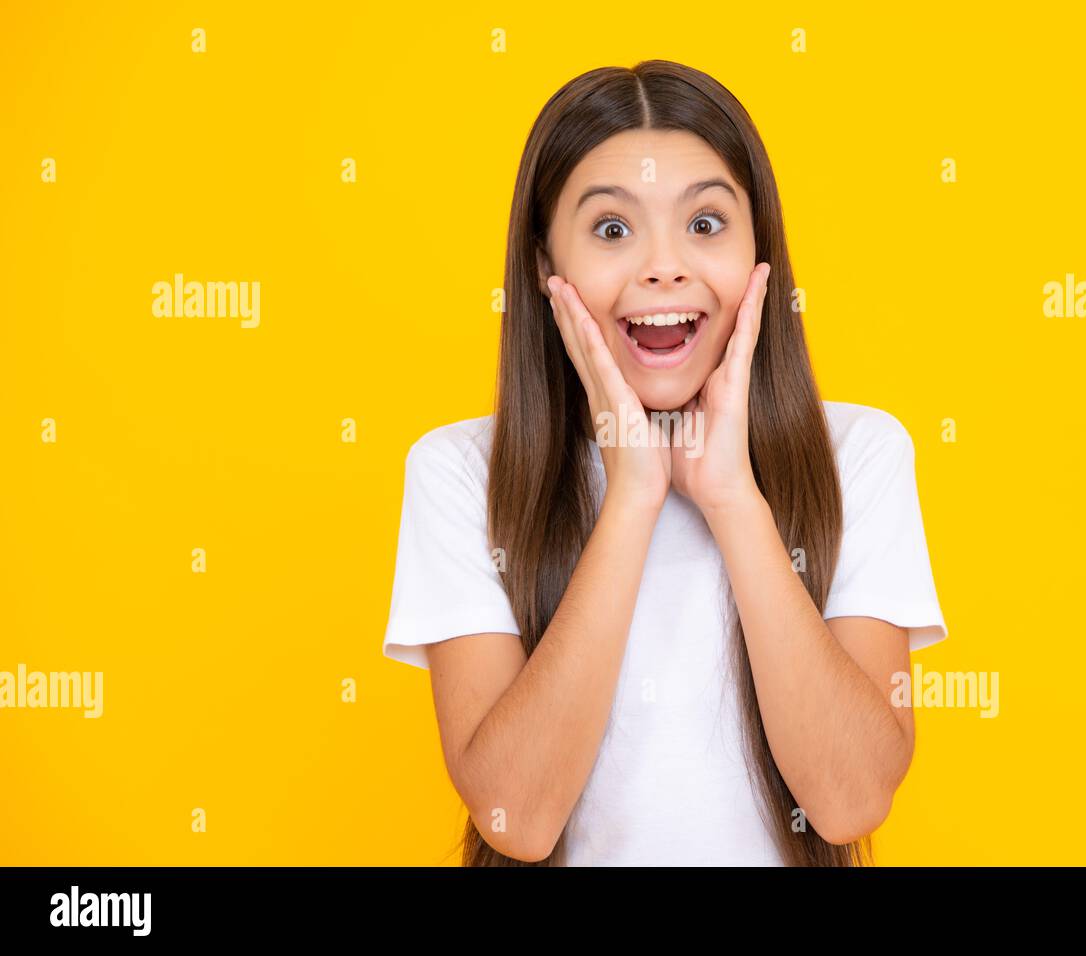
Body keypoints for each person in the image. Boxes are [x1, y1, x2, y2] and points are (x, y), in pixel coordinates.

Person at [382, 60, 948, 866]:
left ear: (764, 254)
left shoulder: (858, 453)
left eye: (706, 224)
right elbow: (519, 817)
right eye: (613, 230)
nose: (664, 267)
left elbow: (850, 799)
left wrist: (732, 499)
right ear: (549, 267)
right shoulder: (459, 472)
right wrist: (631, 498)